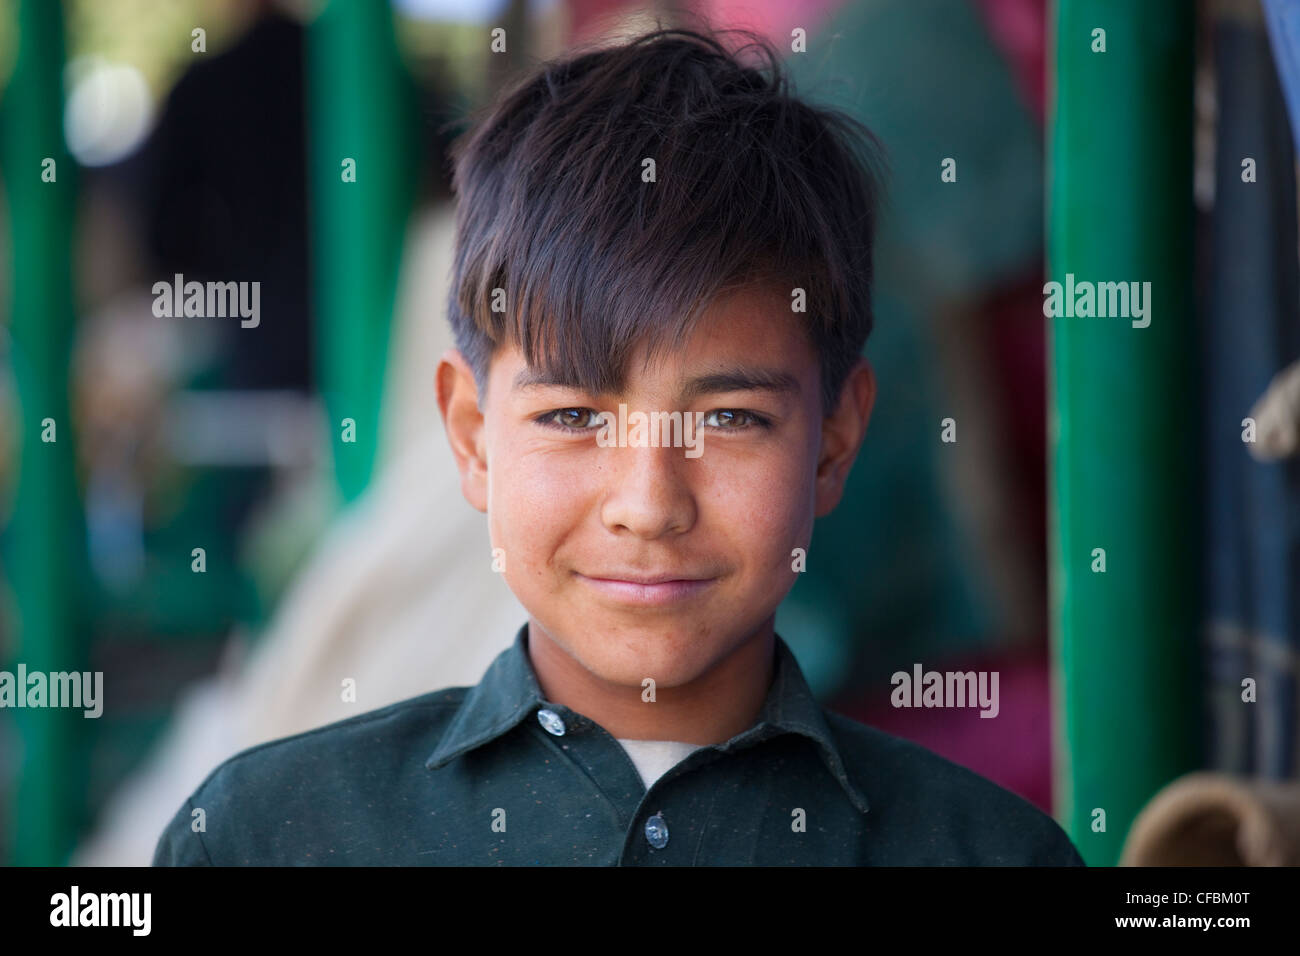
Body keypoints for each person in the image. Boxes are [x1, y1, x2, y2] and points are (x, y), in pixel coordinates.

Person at [153, 26, 1084, 866]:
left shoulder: (988, 856)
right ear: (472, 437)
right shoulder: (269, 838)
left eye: (729, 419)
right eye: (572, 418)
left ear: (835, 441)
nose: (647, 503)